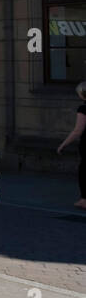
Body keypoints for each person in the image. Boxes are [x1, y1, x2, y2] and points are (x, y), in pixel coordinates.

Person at [56, 80, 86, 210]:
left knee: (84, 171)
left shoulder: (83, 108)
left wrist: (63, 144)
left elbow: (78, 130)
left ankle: (84, 200)